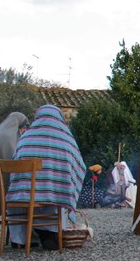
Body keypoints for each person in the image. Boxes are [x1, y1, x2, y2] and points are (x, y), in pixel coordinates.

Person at [6, 105, 86, 250]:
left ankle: (20, 239)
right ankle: (50, 234)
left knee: (25, 193)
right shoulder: (66, 139)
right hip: (54, 194)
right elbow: (79, 164)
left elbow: (14, 163)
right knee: (57, 198)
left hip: (23, 195)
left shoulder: (25, 138)